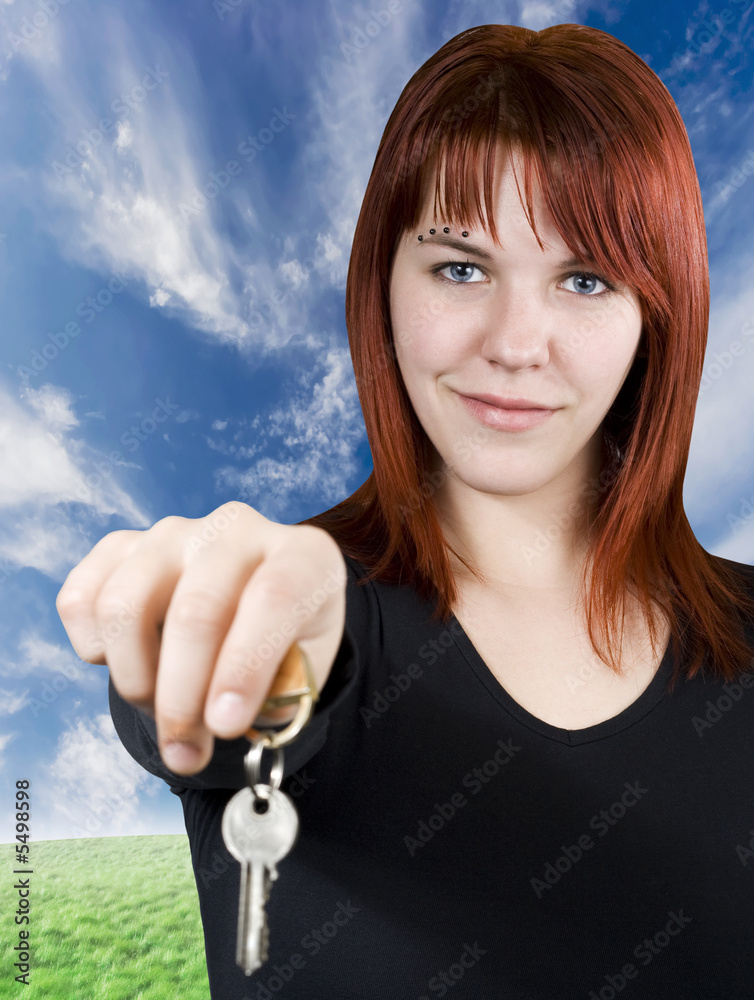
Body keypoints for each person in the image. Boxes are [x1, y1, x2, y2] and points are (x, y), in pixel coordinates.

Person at [56, 21, 754, 1000]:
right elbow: (242, 684)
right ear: (381, 282)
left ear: (658, 315)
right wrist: (234, 618)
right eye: (460, 267)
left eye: (585, 278)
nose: (515, 344)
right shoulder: (314, 612)